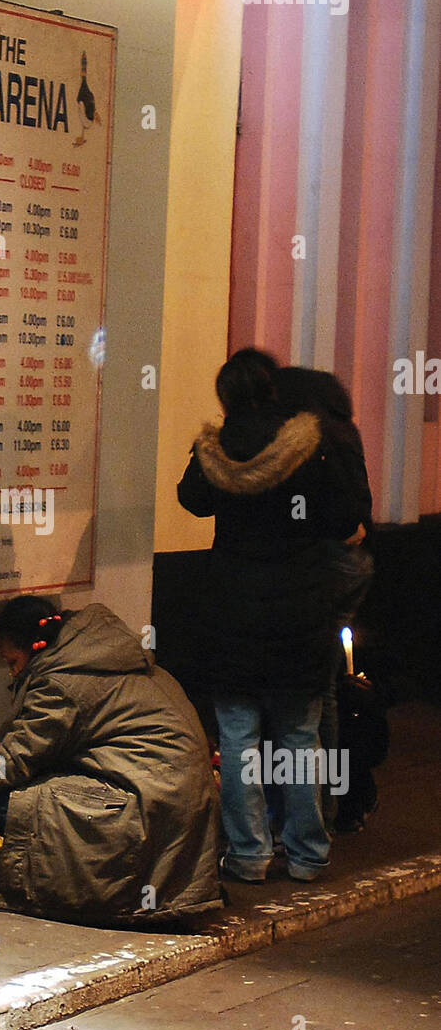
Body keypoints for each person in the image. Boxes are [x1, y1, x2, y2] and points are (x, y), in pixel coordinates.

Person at [0, 596, 222, 927]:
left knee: (5, 804)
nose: (11, 674)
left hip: (146, 808)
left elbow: (10, 764)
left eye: (12, 662)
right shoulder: (107, 659)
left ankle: (71, 890)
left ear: (36, 647)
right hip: (174, 803)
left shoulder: (62, 685)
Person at [177, 350, 364, 883]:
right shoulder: (308, 445)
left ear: (225, 396)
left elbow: (192, 500)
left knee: (237, 735)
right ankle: (306, 854)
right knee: (300, 735)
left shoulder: (216, 446)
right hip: (300, 607)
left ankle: (248, 855)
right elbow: (344, 515)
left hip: (232, 608)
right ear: (273, 390)